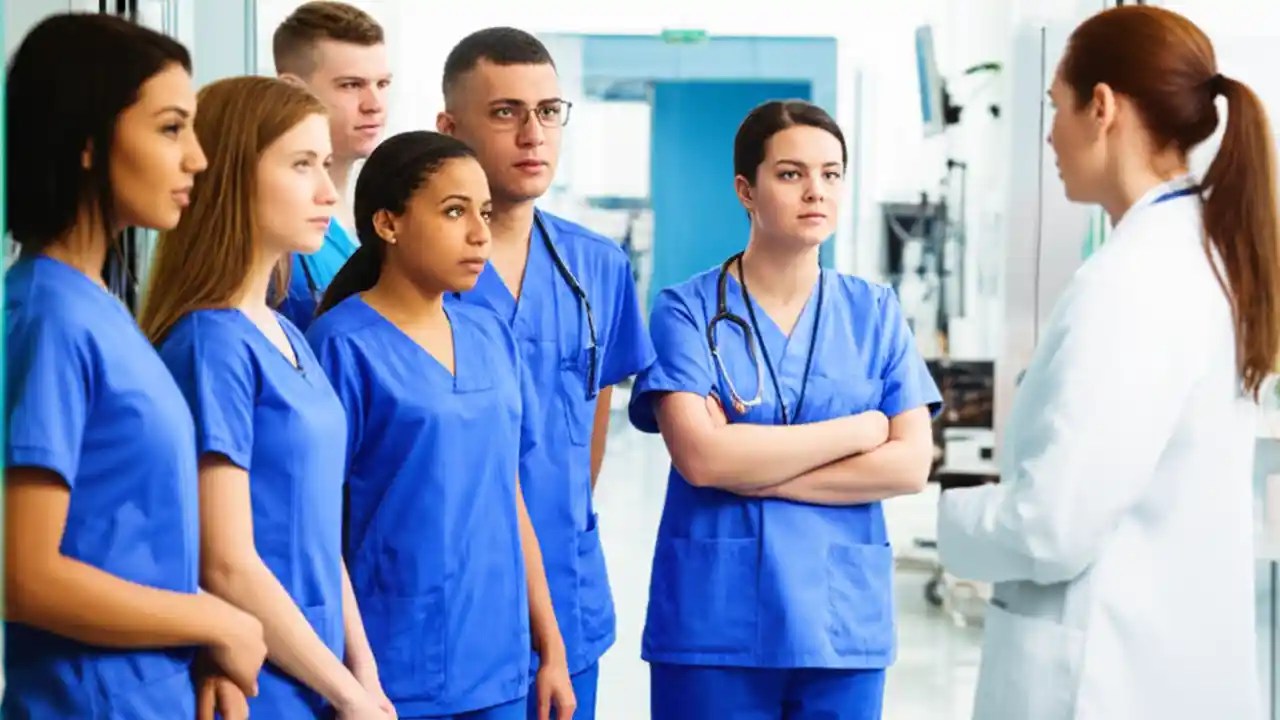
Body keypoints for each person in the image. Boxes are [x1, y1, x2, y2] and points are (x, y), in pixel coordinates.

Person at [936, 7, 1279, 720]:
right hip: (1159, 661)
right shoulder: (1195, 258)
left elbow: (1051, 524)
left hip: (1104, 680)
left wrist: (939, 511)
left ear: (1102, 107)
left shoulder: (1135, 281)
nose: (1050, 133)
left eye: (1055, 107)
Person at [626, 100, 941, 719]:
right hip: (714, 624)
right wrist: (862, 429)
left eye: (831, 173)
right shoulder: (686, 310)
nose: (815, 191)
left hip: (841, 624)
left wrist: (751, 465)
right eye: (791, 174)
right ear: (747, 189)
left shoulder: (873, 312)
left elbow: (908, 468)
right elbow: (702, 459)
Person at [3, 14, 268, 719]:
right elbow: (24, 576)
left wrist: (201, 646)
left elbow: (131, 543)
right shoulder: (48, 318)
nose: (198, 160)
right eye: (172, 127)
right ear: (88, 141)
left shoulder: (100, 310)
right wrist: (217, 621)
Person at [138, 75, 394, 719]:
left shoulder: (285, 333)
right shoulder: (210, 345)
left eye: (326, 165)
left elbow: (317, 531)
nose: (328, 192)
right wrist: (346, 692)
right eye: (301, 165)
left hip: (324, 672)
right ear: (230, 176)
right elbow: (226, 564)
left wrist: (364, 676)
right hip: (265, 685)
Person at [306, 130, 576, 720]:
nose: (481, 233)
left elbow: (510, 495)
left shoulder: (489, 334)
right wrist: (351, 674)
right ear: (388, 223)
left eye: (483, 212)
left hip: (499, 663)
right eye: (455, 212)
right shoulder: (339, 346)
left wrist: (551, 647)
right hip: (388, 666)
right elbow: (314, 527)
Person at [436, 29, 654, 719]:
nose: (533, 134)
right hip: (452, 592)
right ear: (450, 127)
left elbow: (593, 414)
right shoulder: (415, 275)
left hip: (566, 580)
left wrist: (557, 525)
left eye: (549, 111)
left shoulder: (598, 269)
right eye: (505, 112)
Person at [272, 0, 392, 330]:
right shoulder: (273, 228)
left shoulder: (380, 216)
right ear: (292, 90)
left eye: (382, 84)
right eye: (351, 85)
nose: (374, 105)